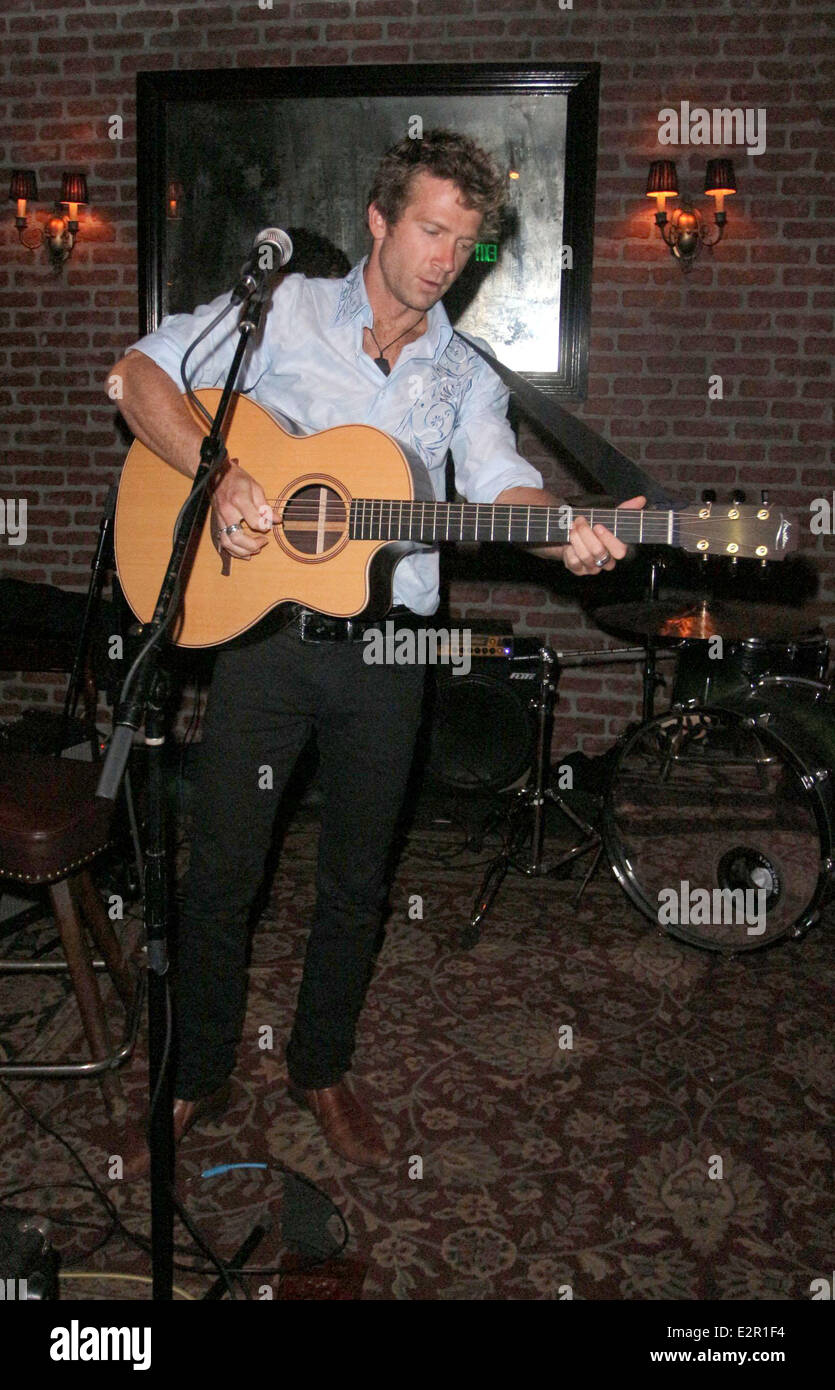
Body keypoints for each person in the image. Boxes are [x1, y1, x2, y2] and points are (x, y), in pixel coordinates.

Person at [109, 130, 643, 1173]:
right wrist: (219, 478)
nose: (446, 258)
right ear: (380, 220)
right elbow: (136, 377)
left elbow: (498, 480)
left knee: (358, 875)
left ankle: (319, 1064)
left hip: (391, 650)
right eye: (432, 230)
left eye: (465, 242)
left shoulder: (464, 373)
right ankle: (200, 1066)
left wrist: (560, 524)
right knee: (223, 870)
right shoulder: (286, 311)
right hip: (261, 635)